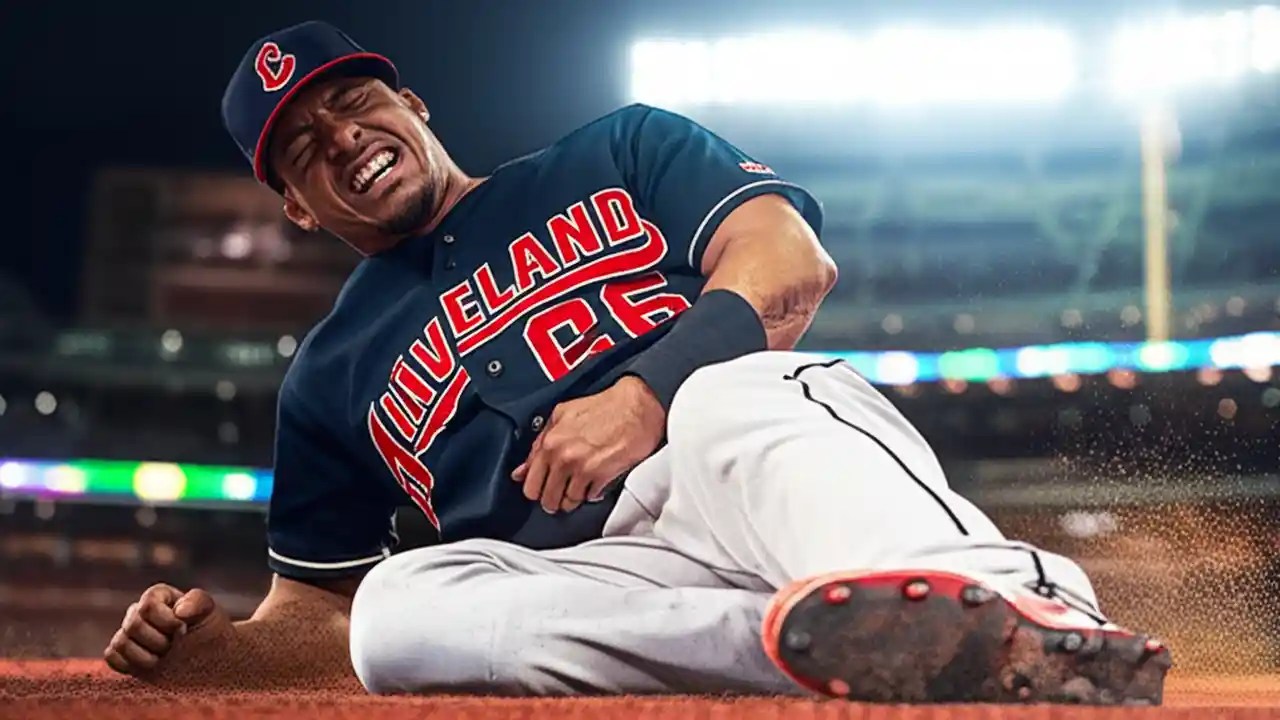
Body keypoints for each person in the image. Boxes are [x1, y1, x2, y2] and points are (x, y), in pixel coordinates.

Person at [102, 20, 1170, 704]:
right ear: (294, 204)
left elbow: (785, 262)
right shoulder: (328, 374)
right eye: (301, 145)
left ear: (411, 106)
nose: (338, 137)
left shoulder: (615, 149)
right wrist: (215, 655)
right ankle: (860, 649)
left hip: (747, 466)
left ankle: (1039, 630)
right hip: (606, 583)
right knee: (398, 611)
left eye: (351, 104)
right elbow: (321, 612)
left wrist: (645, 396)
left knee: (731, 391)